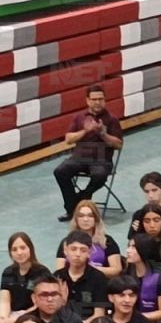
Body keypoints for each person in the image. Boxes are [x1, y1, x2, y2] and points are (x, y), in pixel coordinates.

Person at [53, 85, 123, 222]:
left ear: (105, 100)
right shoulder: (79, 117)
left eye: (101, 99)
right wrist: (85, 131)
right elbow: (68, 139)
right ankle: (74, 206)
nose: (98, 102)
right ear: (87, 100)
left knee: (100, 175)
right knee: (60, 171)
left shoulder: (112, 119)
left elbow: (118, 144)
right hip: (80, 156)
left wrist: (103, 134)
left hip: (102, 158)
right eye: (94, 99)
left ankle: (78, 202)